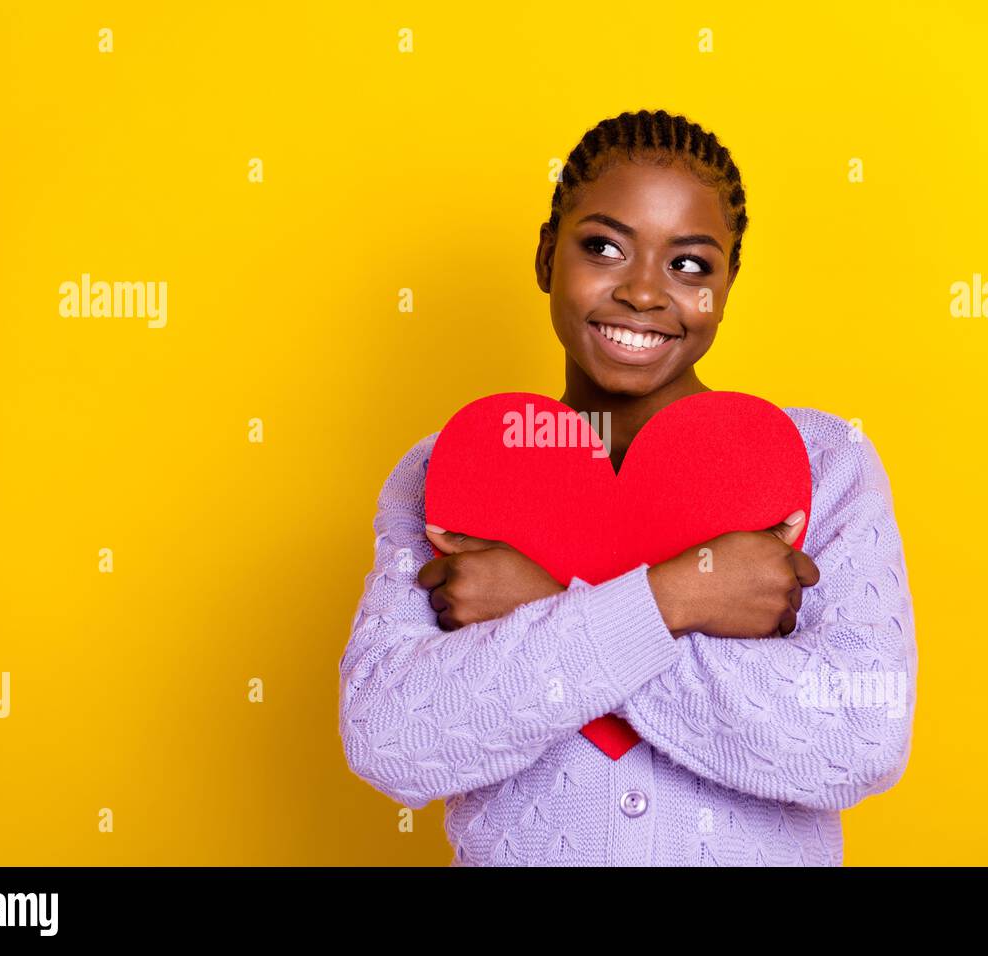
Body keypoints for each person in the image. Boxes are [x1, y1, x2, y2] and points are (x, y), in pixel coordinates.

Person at [340, 108, 917, 866]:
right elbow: (391, 737)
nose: (644, 293)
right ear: (547, 257)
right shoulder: (452, 471)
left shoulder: (825, 464)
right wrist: (678, 598)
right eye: (604, 247)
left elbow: (858, 737)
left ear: (729, 284)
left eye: (689, 266)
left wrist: (547, 603)